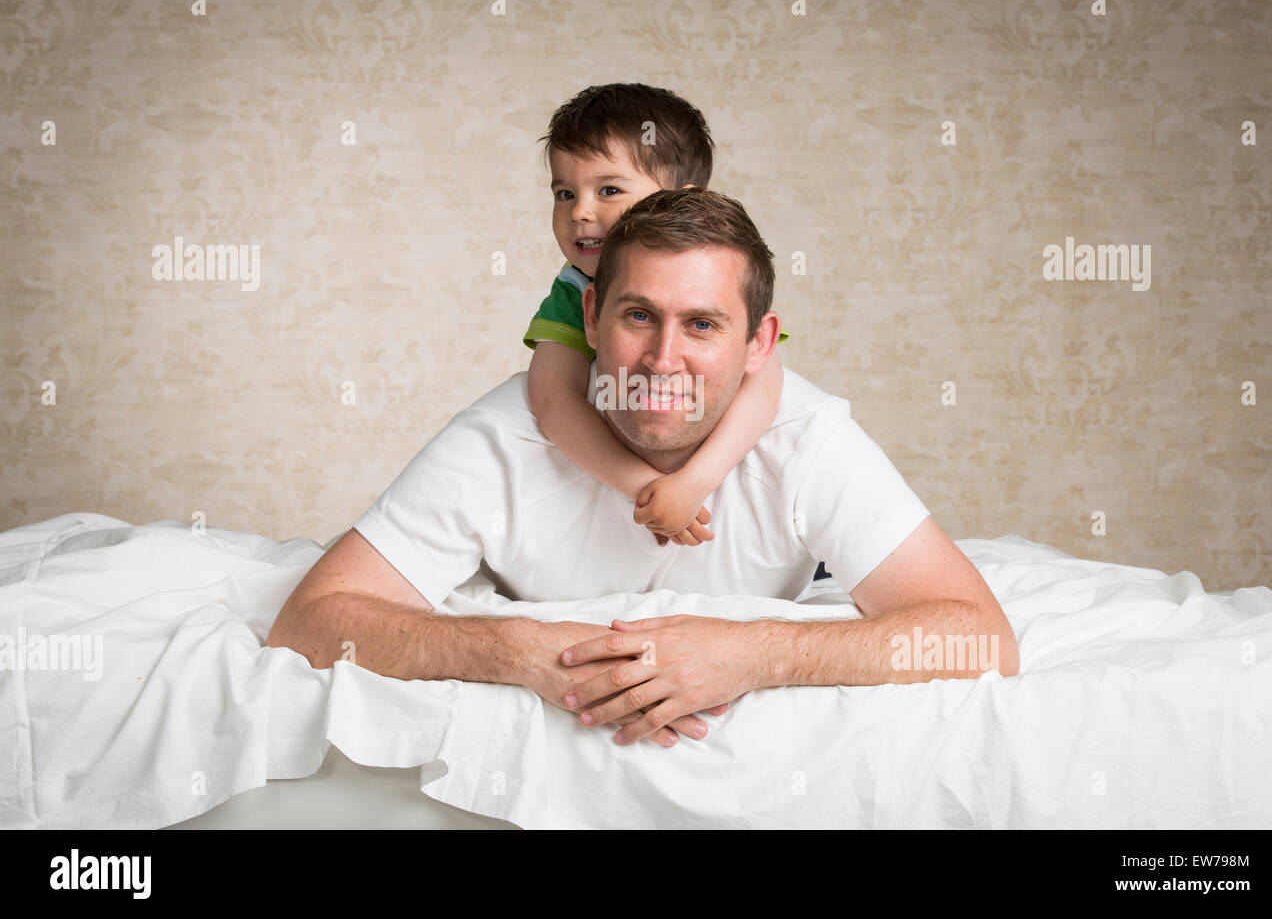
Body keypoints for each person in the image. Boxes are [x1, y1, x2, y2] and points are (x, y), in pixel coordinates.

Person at [266, 188, 1020, 751]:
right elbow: (312, 619)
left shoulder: (808, 437)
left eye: (701, 324)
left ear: (760, 344)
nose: (663, 360)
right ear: (589, 317)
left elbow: (980, 637)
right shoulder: (499, 439)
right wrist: (521, 651)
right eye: (637, 316)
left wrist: (751, 651)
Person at [525, 83, 788, 545]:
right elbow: (552, 401)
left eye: (608, 189)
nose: (580, 212)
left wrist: (693, 484)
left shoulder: (720, 277)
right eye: (564, 193)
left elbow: (764, 388)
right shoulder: (572, 290)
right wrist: (646, 489)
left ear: (681, 201)